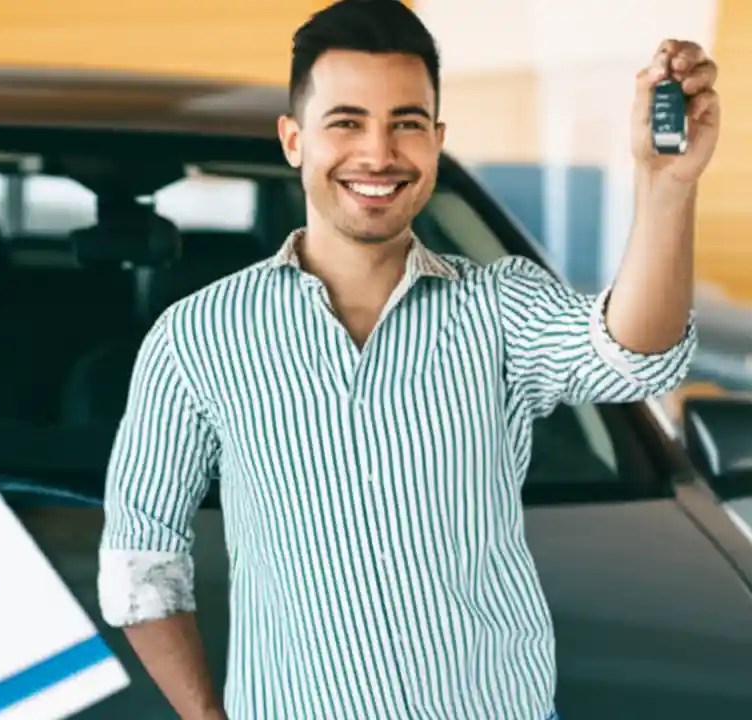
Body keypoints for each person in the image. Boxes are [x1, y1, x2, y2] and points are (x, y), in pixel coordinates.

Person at [96, 0, 721, 718]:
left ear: (436, 140)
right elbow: (141, 563)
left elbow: (637, 359)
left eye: (406, 124)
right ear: (294, 139)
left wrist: (665, 186)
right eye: (347, 122)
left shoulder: (500, 305)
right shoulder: (199, 337)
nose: (378, 154)